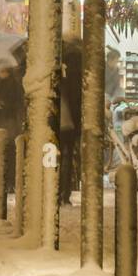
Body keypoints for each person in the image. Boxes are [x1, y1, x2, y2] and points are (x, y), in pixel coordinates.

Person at [58, 44, 82, 205]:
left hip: (60, 121)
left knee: (57, 157)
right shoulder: (78, 74)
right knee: (68, 156)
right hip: (72, 122)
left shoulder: (60, 75)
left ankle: (57, 191)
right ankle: (65, 193)